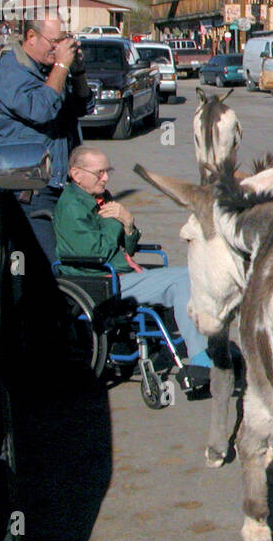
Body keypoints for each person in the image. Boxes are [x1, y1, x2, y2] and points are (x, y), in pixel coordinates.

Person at [55, 145, 210, 388]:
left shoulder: (100, 198)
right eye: (99, 173)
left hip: (122, 273)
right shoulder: (72, 207)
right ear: (76, 175)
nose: (105, 178)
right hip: (101, 281)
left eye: (108, 171)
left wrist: (128, 225)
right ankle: (202, 358)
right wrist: (118, 222)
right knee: (185, 279)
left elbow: (126, 250)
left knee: (186, 283)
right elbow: (97, 252)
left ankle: (203, 358)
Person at [0, 16, 92, 265]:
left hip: (59, 183)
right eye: (54, 42)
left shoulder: (49, 70)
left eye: (63, 41)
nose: (58, 49)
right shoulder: (9, 73)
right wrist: (61, 68)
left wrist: (77, 73)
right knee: (44, 267)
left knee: (73, 259)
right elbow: (41, 110)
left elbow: (83, 106)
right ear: (31, 37)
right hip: (29, 190)